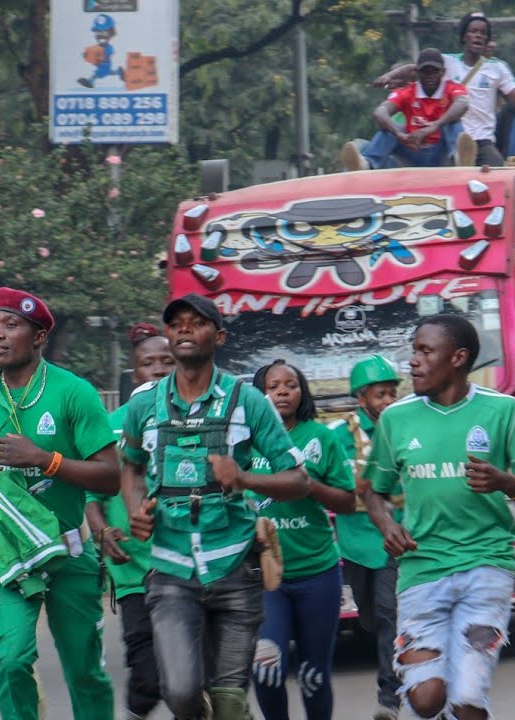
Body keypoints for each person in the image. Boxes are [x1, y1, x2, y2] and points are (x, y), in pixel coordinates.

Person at [119, 294, 309, 720]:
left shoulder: (249, 402)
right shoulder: (143, 404)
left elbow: (298, 481)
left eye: (197, 322)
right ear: (168, 336)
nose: (185, 329)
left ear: (219, 336)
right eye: (177, 324)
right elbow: (130, 465)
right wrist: (136, 509)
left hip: (236, 569)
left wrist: (244, 479)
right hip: (170, 569)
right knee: (182, 694)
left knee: (228, 704)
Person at [364, 314, 515, 720]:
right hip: (421, 569)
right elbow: (372, 491)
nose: (413, 361)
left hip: (486, 566)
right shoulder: (396, 419)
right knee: (426, 698)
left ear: (458, 358)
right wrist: (387, 525)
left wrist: (508, 483)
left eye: (425, 351)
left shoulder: (504, 412)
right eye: (414, 351)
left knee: (467, 700)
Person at [0, 288, 119, 720]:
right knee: (10, 662)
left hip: (71, 550)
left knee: (84, 671)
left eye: (11, 326)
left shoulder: (73, 392)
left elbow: (110, 475)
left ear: (39, 336)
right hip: (10, 555)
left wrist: (45, 460)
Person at [248, 360, 355, 720]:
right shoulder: (244, 442)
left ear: (302, 392)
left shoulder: (320, 438)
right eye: (273, 386)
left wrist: (309, 485)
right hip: (267, 577)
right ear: (258, 394)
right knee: (266, 670)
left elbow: (347, 502)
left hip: (318, 572)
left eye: (291, 385)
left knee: (314, 676)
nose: (283, 391)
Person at [85, 331, 176, 720]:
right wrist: (102, 531)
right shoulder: (111, 426)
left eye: (167, 362)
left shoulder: (196, 417)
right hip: (134, 573)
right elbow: (91, 495)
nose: (158, 370)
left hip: (188, 570)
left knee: (190, 675)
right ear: (134, 373)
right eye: (147, 363)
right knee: (147, 679)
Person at [375, 13, 515, 168]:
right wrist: (389, 76)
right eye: (473, 31)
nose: (478, 36)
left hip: (482, 140)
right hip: (448, 139)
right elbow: (414, 68)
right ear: (463, 37)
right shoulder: (447, 62)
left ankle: (470, 158)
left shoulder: (497, 68)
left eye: (483, 33)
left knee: (497, 174)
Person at [328, 356, 403, 720]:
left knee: (389, 613)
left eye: (392, 393)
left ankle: (389, 697)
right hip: (354, 541)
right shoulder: (336, 435)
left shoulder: (405, 428)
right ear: (362, 399)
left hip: (395, 536)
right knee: (370, 616)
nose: (388, 401)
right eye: (379, 395)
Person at [343, 48, 473, 171]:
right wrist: (398, 134)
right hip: (413, 150)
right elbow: (380, 112)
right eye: (425, 71)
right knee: (388, 129)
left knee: (453, 123)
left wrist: (434, 126)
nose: (430, 76)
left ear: (442, 72)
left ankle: (459, 158)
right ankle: (367, 163)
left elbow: (462, 104)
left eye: (434, 71)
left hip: (441, 153)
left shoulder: (453, 88)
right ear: (417, 73)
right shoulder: (407, 92)